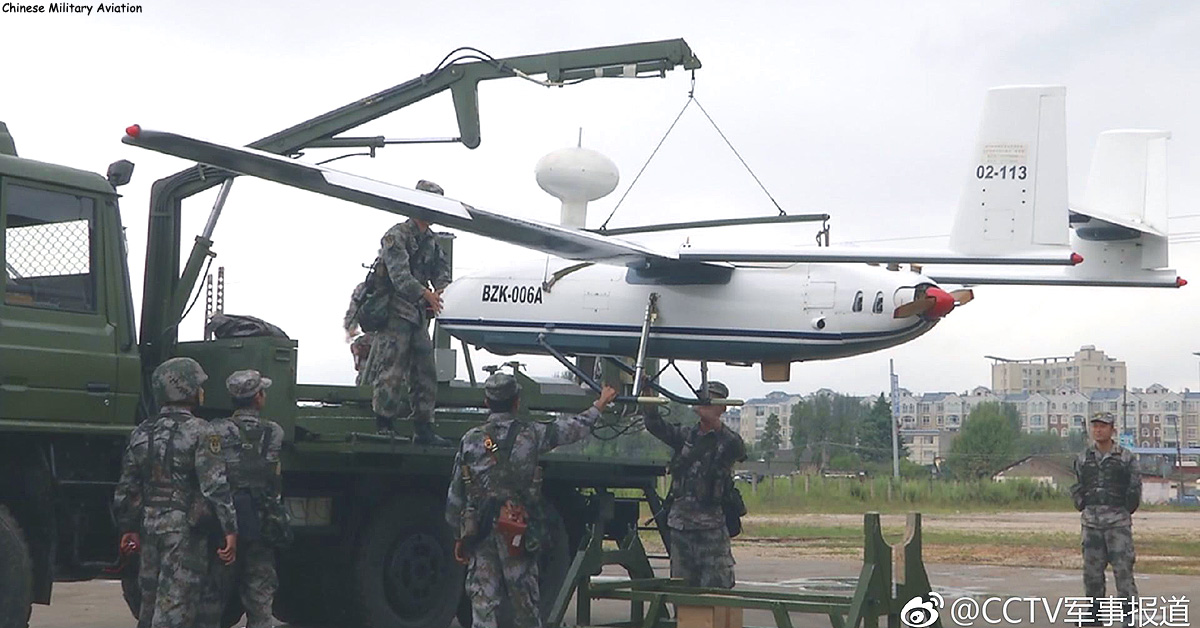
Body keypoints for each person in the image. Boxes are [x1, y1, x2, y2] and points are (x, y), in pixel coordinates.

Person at [446, 374, 618, 628]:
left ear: (486, 402)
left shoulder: (471, 440)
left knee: (483, 603)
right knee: (525, 603)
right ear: (517, 401)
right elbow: (574, 428)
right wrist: (600, 403)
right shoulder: (532, 434)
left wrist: (459, 536)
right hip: (516, 529)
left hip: (481, 531)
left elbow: (455, 494)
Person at [111, 357, 238, 628]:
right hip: (184, 532)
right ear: (187, 389)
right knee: (175, 607)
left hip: (148, 525)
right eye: (198, 385)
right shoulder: (203, 431)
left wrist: (128, 527)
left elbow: (127, 486)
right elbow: (215, 485)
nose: (202, 391)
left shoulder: (141, 432)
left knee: (149, 602)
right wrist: (230, 529)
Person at [199, 370, 287, 628]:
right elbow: (273, 479)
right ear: (258, 397)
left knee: (213, 595)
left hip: (223, 523)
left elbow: (213, 481)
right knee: (260, 595)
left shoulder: (215, 430)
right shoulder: (274, 432)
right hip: (260, 520)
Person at [371, 178, 453, 445]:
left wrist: (442, 290)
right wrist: (426, 293)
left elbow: (442, 271)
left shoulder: (430, 240)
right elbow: (399, 276)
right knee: (391, 368)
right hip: (395, 312)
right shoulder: (397, 235)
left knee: (425, 371)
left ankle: (423, 427)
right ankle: (384, 424)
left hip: (417, 316)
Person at [642, 380, 745, 589]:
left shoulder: (726, 440)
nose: (704, 403)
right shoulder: (686, 436)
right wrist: (648, 394)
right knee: (682, 589)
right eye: (701, 398)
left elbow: (739, 449)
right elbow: (654, 425)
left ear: (723, 407)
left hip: (711, 528)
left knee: (716, 588)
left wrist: (714, 423)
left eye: (711, 398)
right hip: (681, 526)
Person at [1070, 412, 1141, 625]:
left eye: (1103, 426)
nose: (1098, 430)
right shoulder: (1084, 458)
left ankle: (1128, 616)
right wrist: (1081, 504)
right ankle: (1094, 615)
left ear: (1112, 430)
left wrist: (1124, 511)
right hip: (1091, 523)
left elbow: (1134, 488)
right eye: (1095, 426)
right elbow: (1077, 484)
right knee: (1092, 572)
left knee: (1123, 571)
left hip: (1117, 524)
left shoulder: (1126, 457)